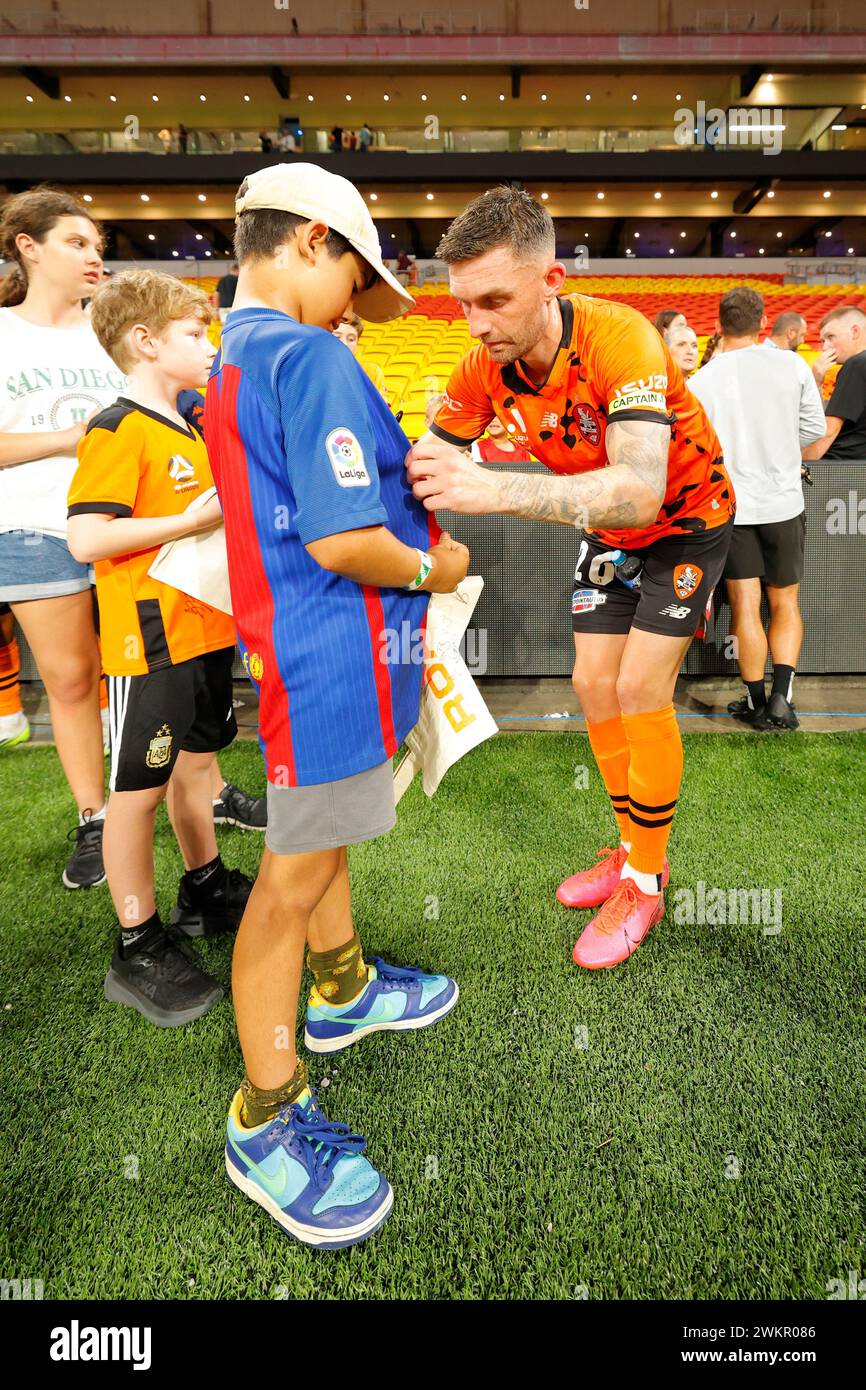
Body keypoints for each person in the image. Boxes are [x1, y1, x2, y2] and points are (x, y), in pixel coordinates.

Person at [204, 162, 466, 1248]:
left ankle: (344, 982)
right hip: (331, 661)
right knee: (291, 874)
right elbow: (341, 538)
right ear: (312, 240)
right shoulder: (301, 353)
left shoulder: (244, 353)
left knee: (327, 841)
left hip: (325, 657)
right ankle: (263, 1116)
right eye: (355, 278)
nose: (355, 306)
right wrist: (436, 570)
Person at [407, 185, 735, 971]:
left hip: (685, 524)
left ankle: (646, 878)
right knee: (592, 687)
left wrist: (495, 489)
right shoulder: (480, 367)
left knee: (636, 693)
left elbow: (639, 486)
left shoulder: (621, 338)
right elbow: (425, 459)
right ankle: (630, 844)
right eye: (463, 305)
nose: (478, 323)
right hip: (605, 532)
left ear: (551, 281)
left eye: (495, 300)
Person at [67, 268, 253, 1026]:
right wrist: (189, 524)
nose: (209, 346)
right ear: (145, 341)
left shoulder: (189, 425)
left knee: (197, 770)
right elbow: (87, 537)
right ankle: (136, 941)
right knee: (135, 796)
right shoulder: (116, 426)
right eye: (193, 333)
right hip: (149, 644)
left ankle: (202, 888)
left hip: (203, 631)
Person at [0, 187, 127, 888]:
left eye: (98, 246)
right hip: (29, 525)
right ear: (28, 246)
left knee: (158, 674)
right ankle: (93, 815)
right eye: (77, 243)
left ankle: (196, 793)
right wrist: (73, 439)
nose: (93, 258)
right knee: (73, 681)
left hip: (122, 523)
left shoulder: (110, 330)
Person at [689, 288, 825, 731]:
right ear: (764, 322)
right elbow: (812, 430)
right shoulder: (792, 365)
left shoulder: (702, 380)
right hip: (784, 501)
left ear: (717, 326)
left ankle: (755, 701)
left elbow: (696, 448)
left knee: (746, 607)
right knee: (785, 603)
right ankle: (782, 700)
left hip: (733, 506)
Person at [804, 306, 866, 461]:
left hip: (841, 467)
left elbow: (830, 429)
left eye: (831, 337)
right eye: (822, 341)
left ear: (855, 332)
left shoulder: (856, 364)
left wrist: (802, 462)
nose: (825, 347)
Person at [333, 311, 388, 400]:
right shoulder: (313, 373)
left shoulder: (372, 373)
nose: (344, 344)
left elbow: (380, 410)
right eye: (336, 337)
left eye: (351, 339)